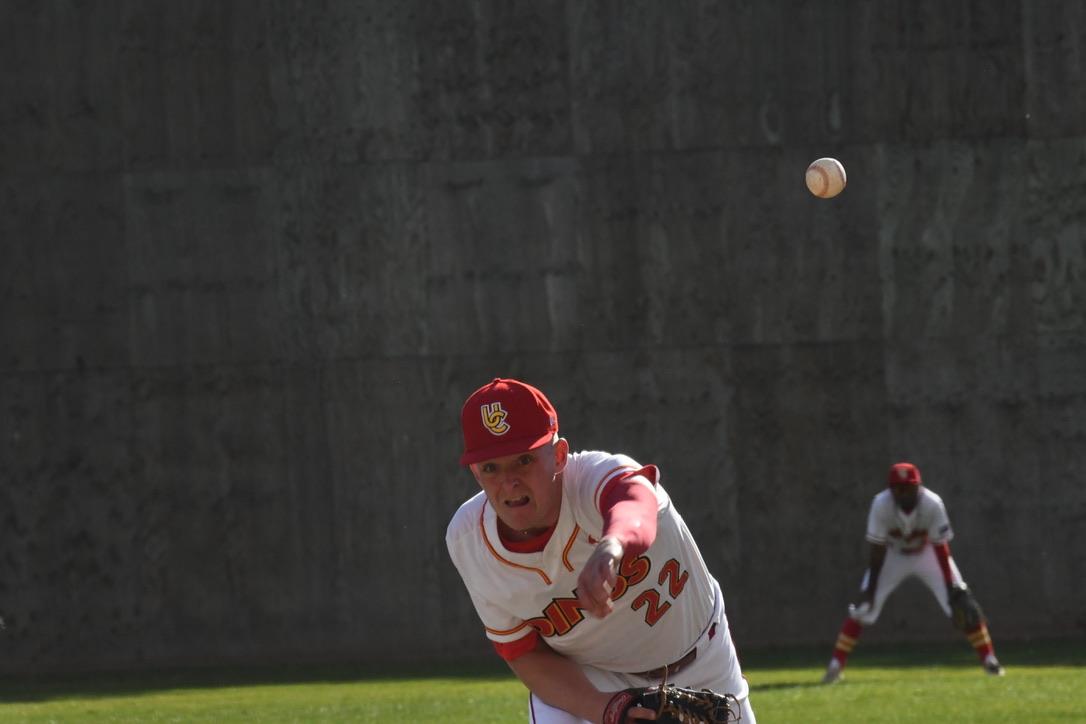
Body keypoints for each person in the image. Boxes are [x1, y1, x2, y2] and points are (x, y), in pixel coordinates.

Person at [446, 378, 755, 724]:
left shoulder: (595, 477)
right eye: (491, 467)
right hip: (589, 679)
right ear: (475, 473)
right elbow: (522, 651)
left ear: (559, 455)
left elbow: (636, 501)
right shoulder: (469, 541)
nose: (509, 481)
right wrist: (605, 709)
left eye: (523, 460)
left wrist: (612, 545)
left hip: (704, 662)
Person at [822, 462, 1005, 683]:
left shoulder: (932, 503)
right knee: (862, 609)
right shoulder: (881, 504)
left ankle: (990, 660)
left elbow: (940, 547)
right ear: (890, 489)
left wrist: (950, 586)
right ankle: (835, 666)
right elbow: (878, 549)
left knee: (963, 604)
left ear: (919, 486)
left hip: (927, 553)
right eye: (899, 489)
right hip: (892, 554)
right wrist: (869, 590)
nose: (905, 493)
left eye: (909, 487)